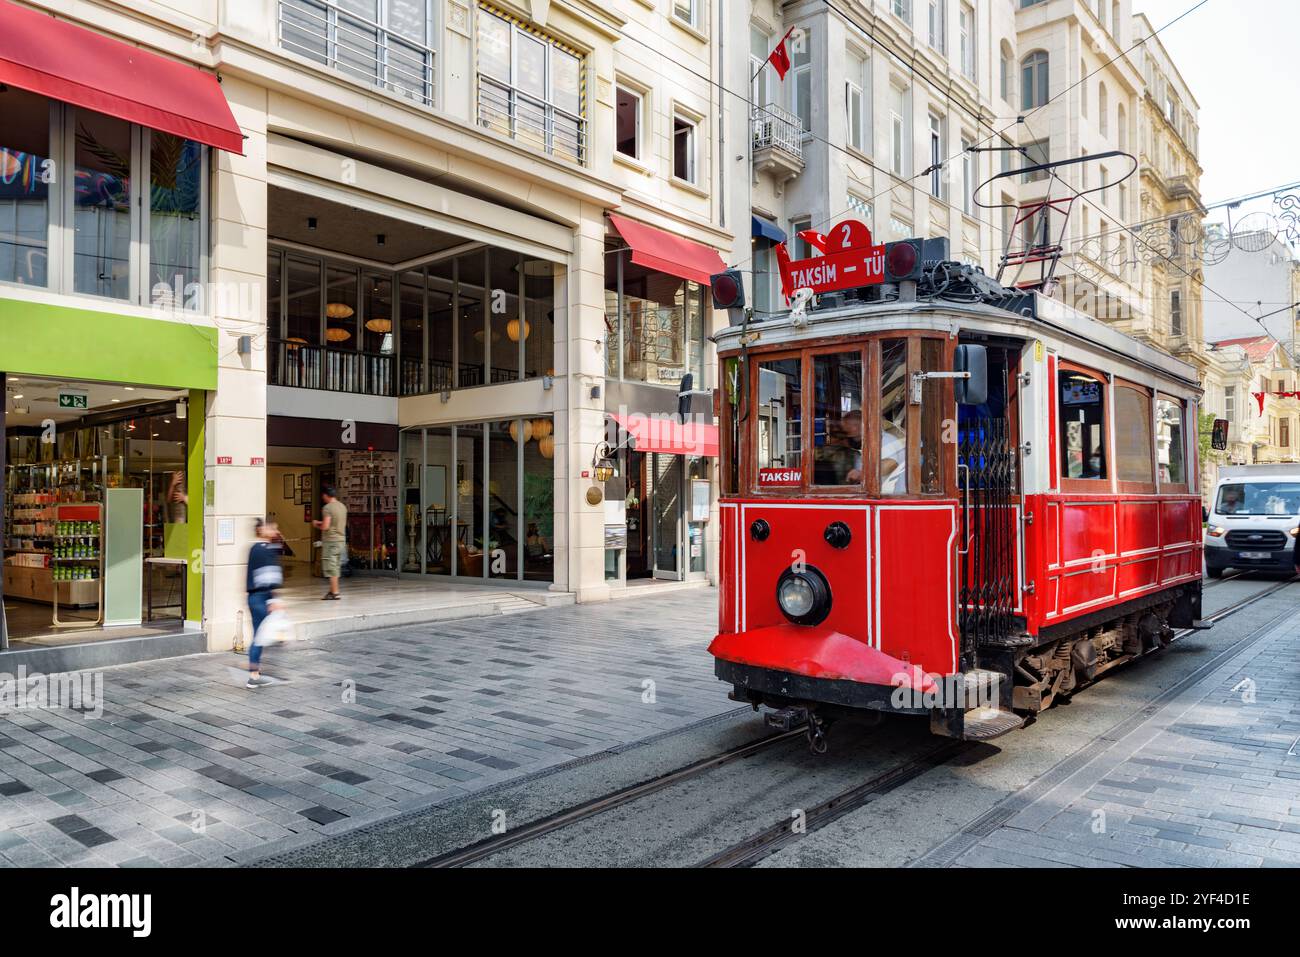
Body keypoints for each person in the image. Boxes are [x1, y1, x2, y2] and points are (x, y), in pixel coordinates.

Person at [245, 519, 283, 689]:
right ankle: (253, 676)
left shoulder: (256, 548)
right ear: (262, 530)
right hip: (261, 597)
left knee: (258, 635)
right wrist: (274, 600)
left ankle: (255, 672)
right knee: (260, 637)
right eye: (272, 528)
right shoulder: (264, 550)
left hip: (254, 597)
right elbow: (270, 576)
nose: (275, 531)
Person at [313, 486, 347, 600]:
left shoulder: (327, 508)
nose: (323, 498)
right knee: (336, 566)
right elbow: (334, 523)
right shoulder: (342, 507)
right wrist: (322, 523)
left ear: (325, 495)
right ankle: (332, 591)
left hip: (331, 541)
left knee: (331, 567)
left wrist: (317, 524)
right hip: (341, 540)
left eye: (323, 496)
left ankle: (335, 593)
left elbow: (326, 526)